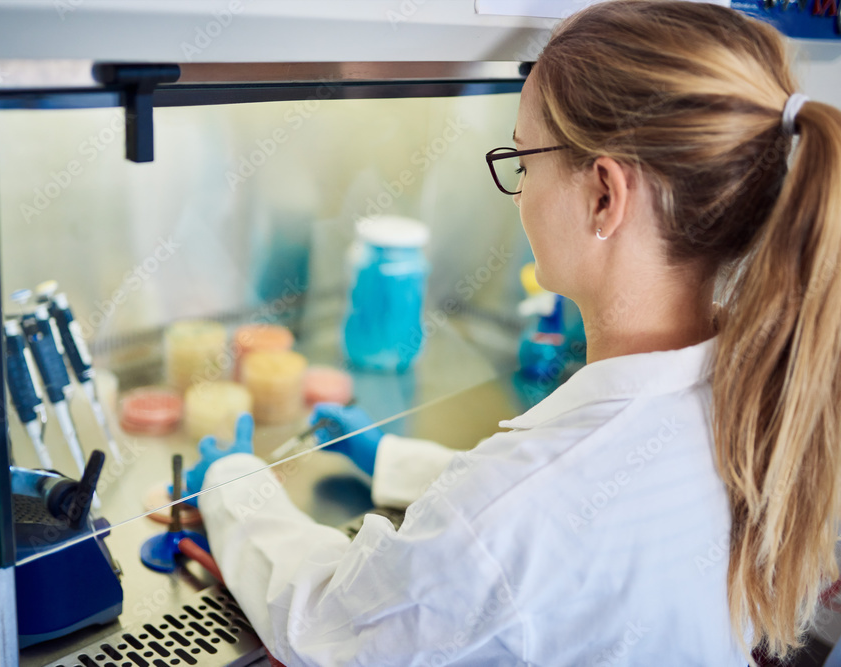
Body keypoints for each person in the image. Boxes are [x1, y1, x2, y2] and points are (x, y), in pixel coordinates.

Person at [184, 1, 841, 664]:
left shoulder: (505, 519)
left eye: (524, 160)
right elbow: (552, 525)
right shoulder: (748, 401)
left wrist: (233, 484)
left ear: (605, 195)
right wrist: (399, 463)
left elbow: (333, 623)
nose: (519, 190)